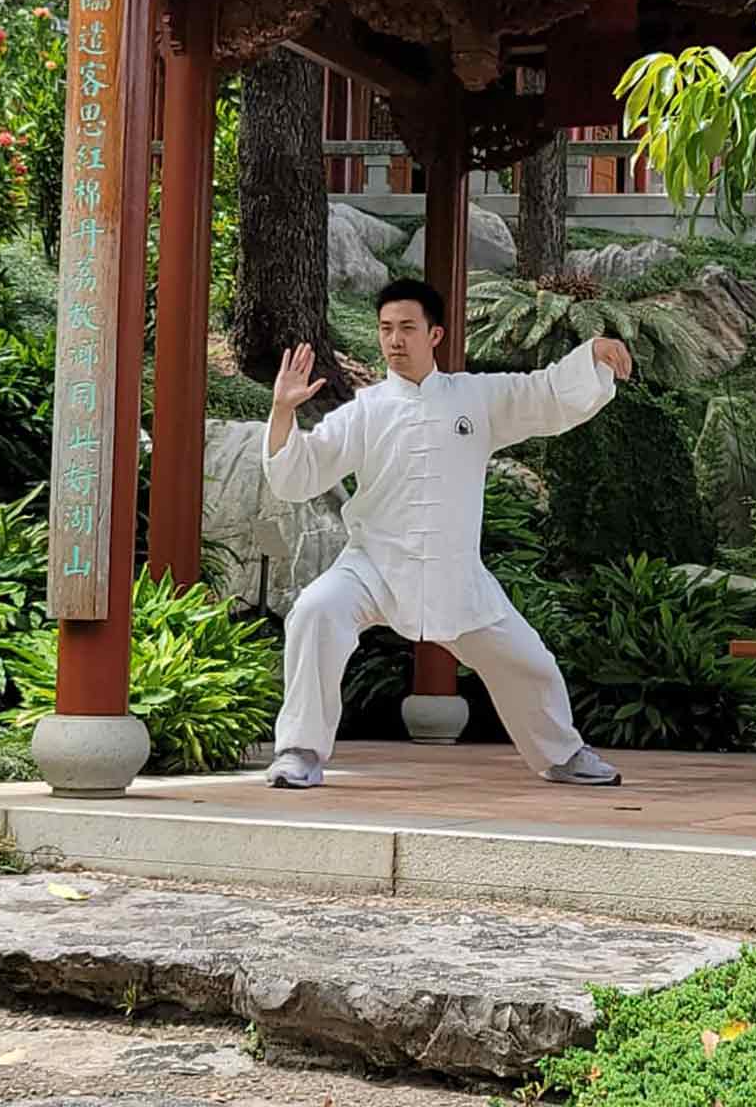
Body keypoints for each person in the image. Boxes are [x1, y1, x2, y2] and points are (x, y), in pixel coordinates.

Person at [260, 277, 633, 790]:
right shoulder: (365, 410)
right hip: (372, 564)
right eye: (386, 328)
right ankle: (299, 751)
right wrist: (283, 410)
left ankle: (563, 754)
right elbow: (298, 472)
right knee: (315, 611)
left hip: (456, 571)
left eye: (408, 328)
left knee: (528, 662)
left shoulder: (474, 397)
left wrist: (592, 354)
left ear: (434, 335)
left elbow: (542, 392)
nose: (395, 340)